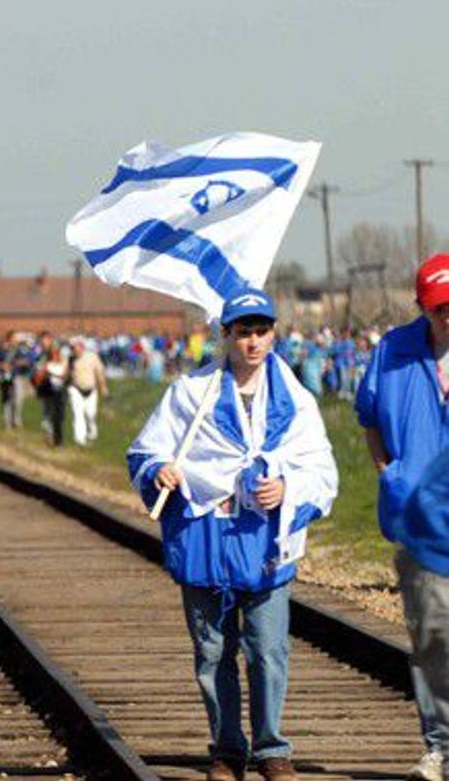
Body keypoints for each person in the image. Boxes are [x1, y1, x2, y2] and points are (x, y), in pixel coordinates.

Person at [128, 289, 337, 781]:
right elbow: (146, 450)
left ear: (274, 334)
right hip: (205, 539)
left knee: (267, 650)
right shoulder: (188, 394)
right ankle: (226, 748)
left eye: (262, 331)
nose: (253, 342)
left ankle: (271, 748)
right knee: (212, 652)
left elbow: (321, 468)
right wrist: (159, 471)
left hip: (265, 543)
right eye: (244, 332)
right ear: (226, 335)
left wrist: (287, 488)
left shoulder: (297, 402)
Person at [355, 253, 449, 780]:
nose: (448, 317)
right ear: (421, 307)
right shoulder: (392, 351)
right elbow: (369, 417)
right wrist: (388, 473)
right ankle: (439, 749)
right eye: (439, 309)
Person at [68, 337, 108, 446]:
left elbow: (99, 372)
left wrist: (103, 387)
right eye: (72, 348)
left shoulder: (92, 357)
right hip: (76, 389)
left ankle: (91, 434)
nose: (74, 350)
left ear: (82, 346)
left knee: (91, 414)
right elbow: (67, 373)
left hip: (91, 389)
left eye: (75, 347)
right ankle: (80, 439)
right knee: (78, 414)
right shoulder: (71, 359)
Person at [33, 334, 68, 446]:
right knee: (48, 412)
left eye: (46, 341)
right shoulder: (40, 355)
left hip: (59, 387)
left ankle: (57, 438)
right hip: (46, 387)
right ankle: (50, 435)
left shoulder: (60, 354)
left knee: (59, 414)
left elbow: (64, 370)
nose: (44, 344)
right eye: (43, 342)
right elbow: (38, 370)